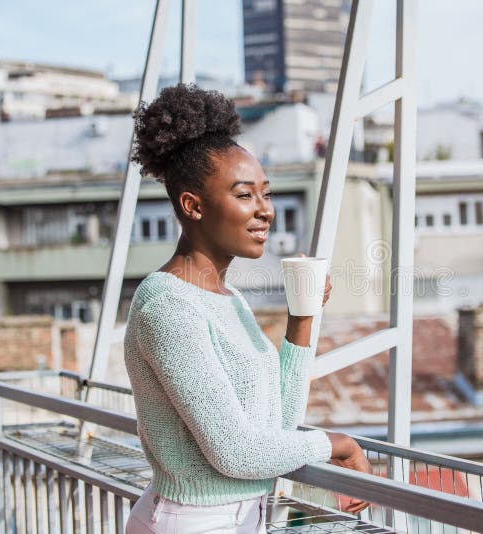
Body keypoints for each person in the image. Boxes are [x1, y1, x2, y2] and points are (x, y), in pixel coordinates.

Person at [123, 84, 373, 533]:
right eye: (244, 196)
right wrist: (337, 443)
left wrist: (301, 318)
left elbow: (277, 423)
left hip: (239, 517)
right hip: (194, 521)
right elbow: (236, 453)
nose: (264, 211)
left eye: (266, 194)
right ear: (192, 206)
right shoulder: (168, 309)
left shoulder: (226, 298)